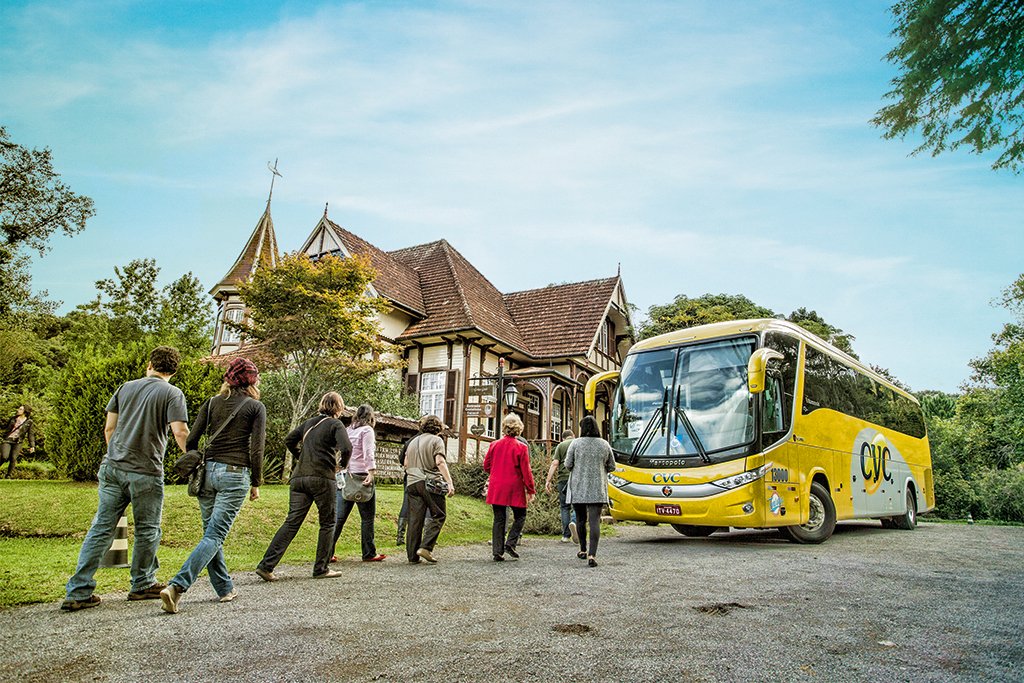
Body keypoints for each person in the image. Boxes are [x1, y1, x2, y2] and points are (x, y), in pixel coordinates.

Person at [62, 346, 189, 612]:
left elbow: (110, 427)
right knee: (148, 529)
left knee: (101, 527)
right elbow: (179, 431)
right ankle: (142, 583)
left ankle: (79, 590)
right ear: (174, 370)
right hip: (145, 471)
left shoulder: (125, 387)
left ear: (149, 364)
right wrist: (192, 457)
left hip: (112, 468)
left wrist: (116, 454)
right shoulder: (172, 393)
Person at [159, 358, 266, 614]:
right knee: (215, 535)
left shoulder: (211, 403)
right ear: (250, 381)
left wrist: (199, 461)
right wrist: (256, 482)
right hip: (234, 474)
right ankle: (177, 586)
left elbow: (192, 440)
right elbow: (257, 448)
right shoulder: (255, 407)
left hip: (208, 474)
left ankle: (224, 588)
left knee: (211, 533)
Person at [256, 392, 352, 581]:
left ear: (322, 405)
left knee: (292, 521)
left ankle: (266, 565)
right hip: (323, 478)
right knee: (328, 523)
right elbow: (347, 447)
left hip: (299, 478)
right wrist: (342, 465)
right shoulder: (336, 424)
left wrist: (301, 456)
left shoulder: (309, 423)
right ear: (339, 408)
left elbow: (289, 440)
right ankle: (321, 568)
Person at [330, 404, 386, 563]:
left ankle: (327, 552)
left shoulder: (349, 430)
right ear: (371, 417)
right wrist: (371, 471)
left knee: (339, 517)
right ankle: (369, 553)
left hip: (347, 475)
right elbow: (368, 452)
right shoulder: (367, 430)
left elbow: (341, 450)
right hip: (362, 476)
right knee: (367, 518)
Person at [403, 414, 455, 564]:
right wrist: (449, 483)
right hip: (430, 483)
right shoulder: (437, 440)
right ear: (438, 428)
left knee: (414, 520)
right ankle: (426, 547)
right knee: (439, 514)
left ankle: (412, 556)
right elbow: (440, 461)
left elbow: (406, 463)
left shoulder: (412, 442)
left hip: (412, 483)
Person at [565, 415, 616, 568]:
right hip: (597, 487)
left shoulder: (575, 443)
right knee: (594, 521)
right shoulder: (604, 444)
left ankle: (582, 549)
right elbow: (612, 466)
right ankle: (592, 554)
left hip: (579, 486)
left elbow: (568, 464)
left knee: (580, 519)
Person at [484, 414, 535, 561]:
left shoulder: (494, 445)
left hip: (497, 485)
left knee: (499, 518)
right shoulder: (521, 447)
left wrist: (495, 472)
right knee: (520, 516)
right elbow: (526, 471)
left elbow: (486, 465)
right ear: (519, 429)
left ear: (504, 428)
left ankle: (497, 552)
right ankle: (510, 543)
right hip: (515, 486)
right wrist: (530, 489)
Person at [544, 429, 577, 543]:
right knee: (577, 505)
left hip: (563, 479)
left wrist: (548, 481)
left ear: (563, 438)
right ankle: (574, 522)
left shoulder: (561, 446)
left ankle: (566, 535)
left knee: (564, 507)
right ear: (573, 435)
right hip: (577, 478)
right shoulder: (578, 443)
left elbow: (555, 464)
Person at [2, 405, 35, 479]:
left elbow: (31, 434)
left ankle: (8, 476)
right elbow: (5, 427)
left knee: (13, 458)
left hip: (18, 442)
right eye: (19, 409)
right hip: (8, 439)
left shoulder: (29, 422)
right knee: (4, 456)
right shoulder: (13, 419)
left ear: (25, 411)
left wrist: (32, 446)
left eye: (20, 409)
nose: (18, 410)